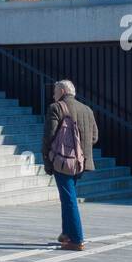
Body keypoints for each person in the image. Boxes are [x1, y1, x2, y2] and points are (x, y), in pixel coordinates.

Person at [42, 79, 98, 251]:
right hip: (81, 162)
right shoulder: (87, 109)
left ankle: (76, 239)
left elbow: (49, 136)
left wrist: (46, 158)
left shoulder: (56, 107)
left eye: (55, 91)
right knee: (68, 197)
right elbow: (95, 137)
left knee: (69, 199)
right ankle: (66, 233)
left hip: (63, 160)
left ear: (62, 91)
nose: (53, 95)